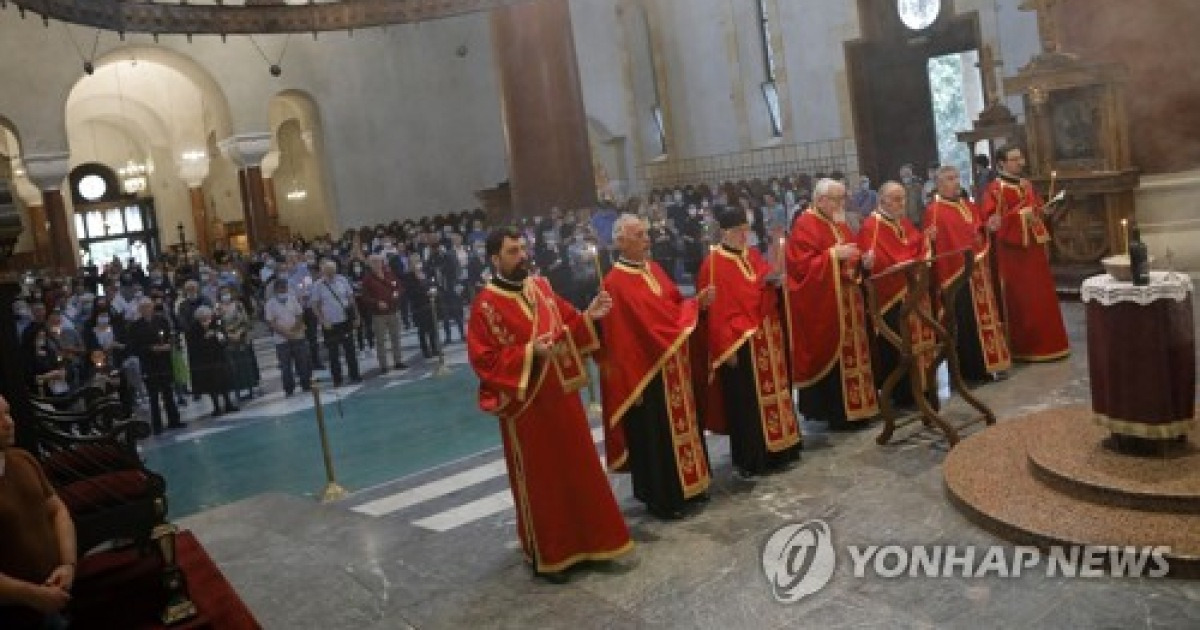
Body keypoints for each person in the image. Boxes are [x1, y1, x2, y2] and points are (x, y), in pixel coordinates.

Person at [466, 227, 631, 583]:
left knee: (579, 469)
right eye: (512, 251)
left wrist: (591, 315)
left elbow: (569, 323)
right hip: (527, 408)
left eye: (522, 248)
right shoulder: (485, 306)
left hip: (563, 397)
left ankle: (592, 541)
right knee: (545, 482)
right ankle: (554, 552)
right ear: (494, 259)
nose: (522, 256)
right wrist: (529, 352)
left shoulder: (540, 287)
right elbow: (485, 361)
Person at [599, 214, 714, 520]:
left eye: (646, 233)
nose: (647, 240)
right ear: (620, 242)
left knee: (683, 427)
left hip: (673, 365)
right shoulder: (614, 283)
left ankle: (693, 485)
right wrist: (689, 310)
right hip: (645, 373)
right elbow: (623, 338)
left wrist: (696, 303)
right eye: (639, 235)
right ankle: (665, 497)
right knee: (656, 435)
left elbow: (673, 307)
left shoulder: (655, 269)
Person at [696, 208, 802, 478]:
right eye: (738, 231)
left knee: (775, 396)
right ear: (725, 232)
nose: (744, 235)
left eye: (746, 230)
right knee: (748, 405)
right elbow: (715, 312)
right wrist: (723, 348)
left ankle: (783, 448)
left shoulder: (751, 255)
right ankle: (756, 457)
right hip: (740, 344)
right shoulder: (713, 263)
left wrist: (774, 280)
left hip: (766, 337)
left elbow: (763, 278)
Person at [784, 178, 880, 427]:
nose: (841, 203)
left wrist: (863, 261)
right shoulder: (805, 224)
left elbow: (852, 250)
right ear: (821, 200)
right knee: (836, 357)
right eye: (837, 199)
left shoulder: (837, 222)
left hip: (849, 301)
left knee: (857, 353)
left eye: (842, 198)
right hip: (827, 304)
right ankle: (841, 412)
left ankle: (863, 405)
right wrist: (832, 256)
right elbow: (800, 269)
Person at [981, 145, 1070, 362]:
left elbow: (1036, 211)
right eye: (1014, 159)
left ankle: (1049, 343)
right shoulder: (995, 189)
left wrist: (1045, 211)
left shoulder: (1027, 185)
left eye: (1021, 158)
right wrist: (1024, 215)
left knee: (1041, 298)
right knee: (1022, 300)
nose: (1021, 162)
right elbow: (993, 224)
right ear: (1001, 163)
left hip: (1034, 253)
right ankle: (1026, 347)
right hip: (1013, 256)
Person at [925, 166, 1012, 382]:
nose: (955, 182)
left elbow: (979, 228)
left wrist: (989, 226)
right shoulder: (934, 210)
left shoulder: (969, 205)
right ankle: (970, 372)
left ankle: (991, 363)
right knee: (966, 324)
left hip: (978, 273)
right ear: (939, 184)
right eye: (949, 179)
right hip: (956, 276)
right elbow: (933, 247)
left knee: (984, 319)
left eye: (956, 177)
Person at [0, 395, 78, 630]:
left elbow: (57, 510)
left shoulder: (22, 459)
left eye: (8, 413)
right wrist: (32, 596)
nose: (8, 422)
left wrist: (68, 565)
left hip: (51, 595)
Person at [857, 182, 937, 408]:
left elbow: (915, 244)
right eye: (896, 198)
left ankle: (924, 386)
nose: (901, 203)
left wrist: (927, 240)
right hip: (891, 298)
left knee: (918, 342)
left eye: (902, 198)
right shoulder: (871, 226)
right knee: (898, 346)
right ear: (882, 200)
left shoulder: (903, 222)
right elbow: (876, 262)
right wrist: (869, 263)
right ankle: (905, 394)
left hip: (911, 292)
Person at [128, 298, 184, 434]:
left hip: (164, 362)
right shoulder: (135, 327)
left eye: (148, 306)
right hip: (149, 364)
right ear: (139, 310)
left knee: (168, 392)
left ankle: (174, 420)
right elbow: (134, 347)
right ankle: (157, 425)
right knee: (153, 396)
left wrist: (167, 345)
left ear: (152, 307)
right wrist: (150, 348)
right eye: (143, 307)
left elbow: (170, 337)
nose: (146, 309)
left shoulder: (162, 321)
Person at [309, 259, 362, 386]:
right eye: (328, 272)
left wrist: (356, 316)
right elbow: (315, 306)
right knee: (333, 353)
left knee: (350, 350)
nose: (331, 274)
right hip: (330, 324)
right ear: (323, 272)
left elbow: (351, 299)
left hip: (345, 320)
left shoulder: (342, 280)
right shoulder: (318, 285)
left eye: (333, 271)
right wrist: (322, 320)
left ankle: (354, 375)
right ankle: (337, 379)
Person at [187, 306, 239, 417]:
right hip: (205, 361)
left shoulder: (216, 324)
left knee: (224, 381)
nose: (206, 320)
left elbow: (223, 338)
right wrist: (205, 338)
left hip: (219, 357)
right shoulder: (193, 329)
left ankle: (228, 403)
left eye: (207, 317)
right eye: (203, 319)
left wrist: (218, 337)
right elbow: (193, 346)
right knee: (211, 384)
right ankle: (216, 407)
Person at [265, 279, 312, 397]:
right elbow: (271, 322)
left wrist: (295, 330)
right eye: (281, 288)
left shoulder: (292, 298)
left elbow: (299, 314)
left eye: (285, 288)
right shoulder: (270, 304)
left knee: (302, 362)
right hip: (281, 339)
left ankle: (306, 384)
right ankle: (289, 389)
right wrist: (286, 333)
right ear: (276, 290)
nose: (284, 290)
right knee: (285, 366)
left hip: (297, 335)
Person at [361, 253, 408, 372]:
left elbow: (399, 287)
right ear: (370, 264)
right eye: (374, 262)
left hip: (393, 310)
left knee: (395, 337)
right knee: (380, 341)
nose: (377, 264)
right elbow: (365, 297)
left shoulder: (389, 274)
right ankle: (383, 365)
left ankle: (398, 361)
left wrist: (396, 295)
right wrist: (376, 303)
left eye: (379, 261)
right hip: (378, 315)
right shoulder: (367, 279)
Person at [218, 287, 260, 400]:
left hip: (241, 337)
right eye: (223, 294)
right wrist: (228, 335)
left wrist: (240, 332)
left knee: (245, 363)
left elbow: (246, 321)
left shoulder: (238, 305)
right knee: (233, 366)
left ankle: (250, 387)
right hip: (228, 339)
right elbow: (218, 325)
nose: (225, 295)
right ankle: (236, 390)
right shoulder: (218, 308)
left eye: (227, 293)